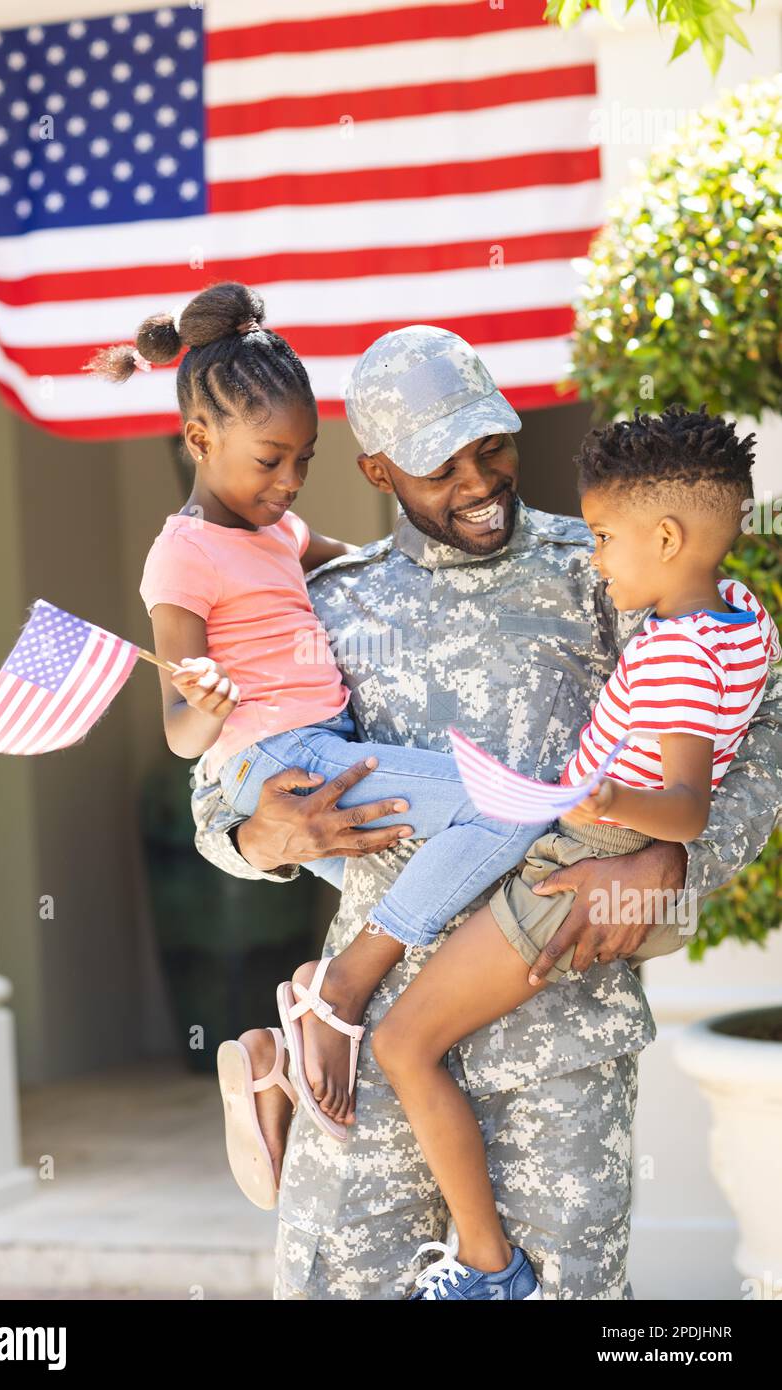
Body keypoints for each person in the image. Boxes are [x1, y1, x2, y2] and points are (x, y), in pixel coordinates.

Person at [191, 325, 782, 1300]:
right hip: (371, 1055)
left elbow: (760, 728)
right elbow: (219, 789)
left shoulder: (608, 565)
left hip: (561, 1044)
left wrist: (675, 863)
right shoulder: (326, 608)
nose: (480, 479)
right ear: (379, 469)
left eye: (493, 446)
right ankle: (280, 1056)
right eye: (441, 463)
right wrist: (266, 835)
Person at [91, 281, 543, 1148]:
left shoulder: (276, 534)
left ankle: (276, 1057)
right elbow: (179, 733)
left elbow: (366, 560)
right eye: (270, 460)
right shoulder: (182, 555)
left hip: (321, 747)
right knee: (506, 805)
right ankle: (333, 992)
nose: (292, 482)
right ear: (198, 440)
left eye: (305, 458)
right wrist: (203, 700)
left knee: (435, 905)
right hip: (275, 761)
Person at [369, 405, 780, 1299]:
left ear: (665, 537)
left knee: (402, 1043)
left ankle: (487, 1270)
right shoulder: (743, 619)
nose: (594, 556)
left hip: (581, 858)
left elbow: (683, 809)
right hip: (580, 843)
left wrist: (607, 797)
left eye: (603, 537)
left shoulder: (673, 650)